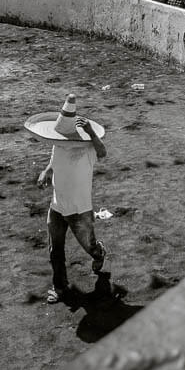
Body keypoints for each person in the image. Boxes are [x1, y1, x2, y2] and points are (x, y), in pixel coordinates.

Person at [33, 94, 108, 304]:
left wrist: (91, 132)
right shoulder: (57, 144)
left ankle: (99, 253)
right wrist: (46, 172)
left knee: (89, 246)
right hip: (57, 205)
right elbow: (54, 162)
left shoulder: (87, 147)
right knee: (55, 249)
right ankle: (60, 287)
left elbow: (103, 152)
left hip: (79, 209)